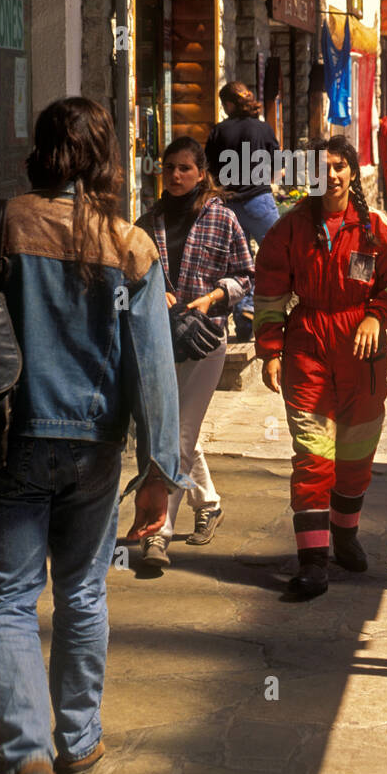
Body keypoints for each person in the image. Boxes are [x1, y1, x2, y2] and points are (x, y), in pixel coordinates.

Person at [0, 97, 186, 774]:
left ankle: (26, 755)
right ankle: (79, 742)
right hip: (94, 447)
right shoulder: (131, 244)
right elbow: (152, 368)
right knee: (84, 593)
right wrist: (161, 469)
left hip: (7, 438)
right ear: (104, 159)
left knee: (5, 599)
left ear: (38, 151)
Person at [254, 136, 387, 599]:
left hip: (362, 355)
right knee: (312, 455)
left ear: (352, 172)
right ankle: (312, 561)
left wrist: (376, 315)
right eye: (320, 167)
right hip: (307, 345)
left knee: (355, 455)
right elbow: (268, 292)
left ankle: (344, 533)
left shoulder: (374, 230)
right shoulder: (288, 230)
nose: (331, 175)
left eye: (339, 166)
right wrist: (270, 349)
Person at [137, 136, 253, 567]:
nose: (176, 175)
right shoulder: (148, 223)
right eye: (169, 168)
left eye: (185, 168)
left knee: (179, 436)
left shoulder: (222, 219)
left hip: (207, 340)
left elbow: (246, 274)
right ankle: (208, 505)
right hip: (160, 340)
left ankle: (158, 533)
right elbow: (128, 275)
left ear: (201, 172)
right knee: (173, 430)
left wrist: (216, 296)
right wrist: (152, 293)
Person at [206, 81, 280, 341]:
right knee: (279, 253)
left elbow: (210, 172)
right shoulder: (263, 128)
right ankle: (270, 312)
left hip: (229, 205)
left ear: (228, 104)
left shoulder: (219, 131)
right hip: (259, 200)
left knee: (237, 265)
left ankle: (245, 313)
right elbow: (276, 163)